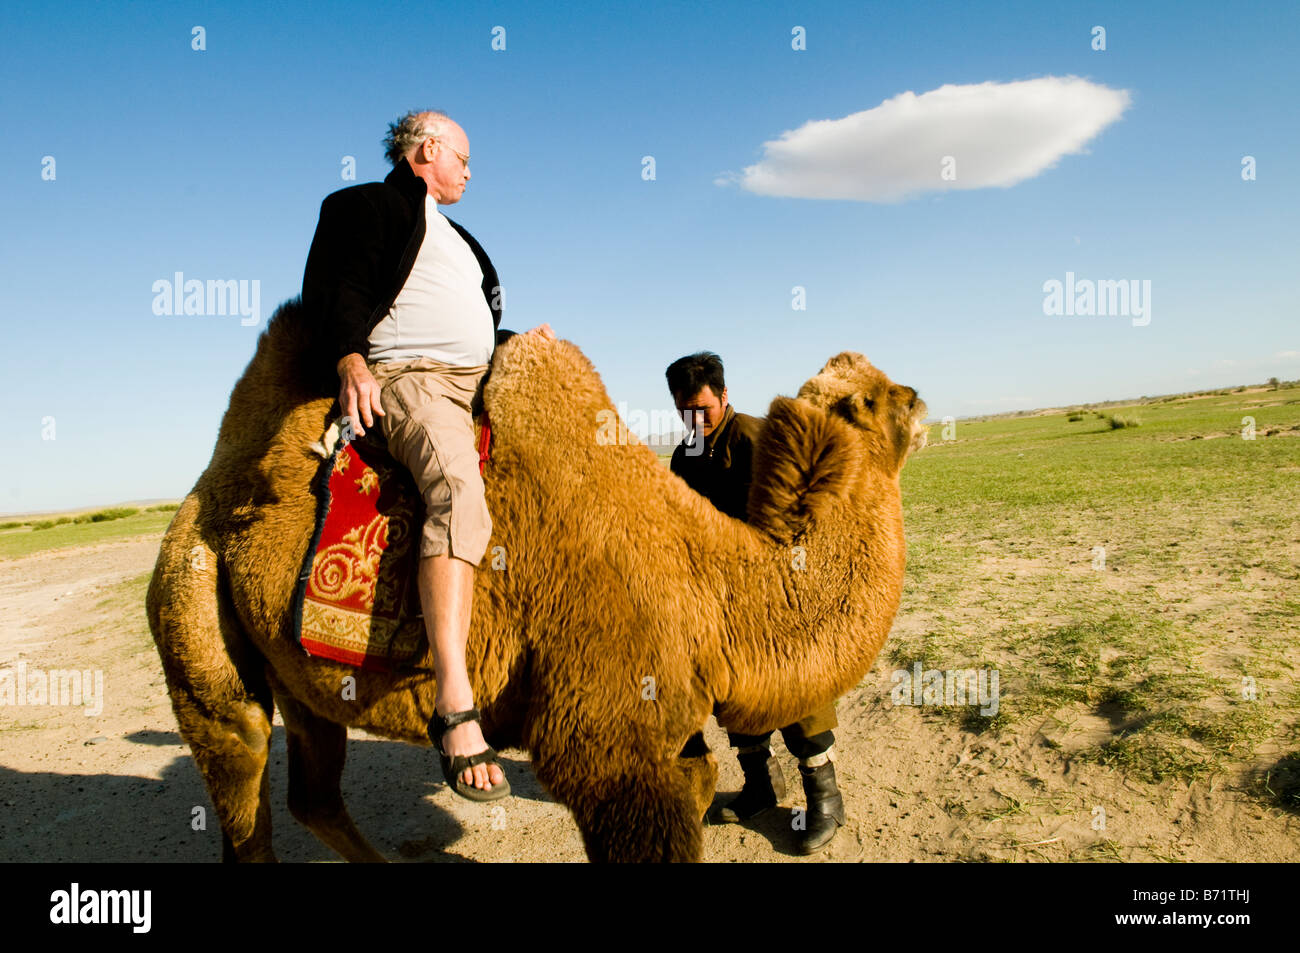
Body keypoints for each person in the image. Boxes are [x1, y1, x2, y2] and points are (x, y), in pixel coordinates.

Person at [301, 109, 554, 802]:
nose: (471, 172)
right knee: (455, 487)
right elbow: (338, 285)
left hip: (478, 383)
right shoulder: (365, 204)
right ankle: (453, 699)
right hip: (414, 379)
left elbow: (482, 319)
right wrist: (351, 357)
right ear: (429, 149)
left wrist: (520, 344)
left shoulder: (464, 240)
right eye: (464, 158)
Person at [665, 351, 847, 853]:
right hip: (721, 598)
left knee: (795, 691)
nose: (694, 420)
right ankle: (762, 787)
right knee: (737, 695)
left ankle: (826, 799)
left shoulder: (760, 438)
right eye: (684, 411)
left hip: (778, 592)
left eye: (702, 408)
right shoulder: (685, 456)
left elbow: (803, 516)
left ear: (724, 396)